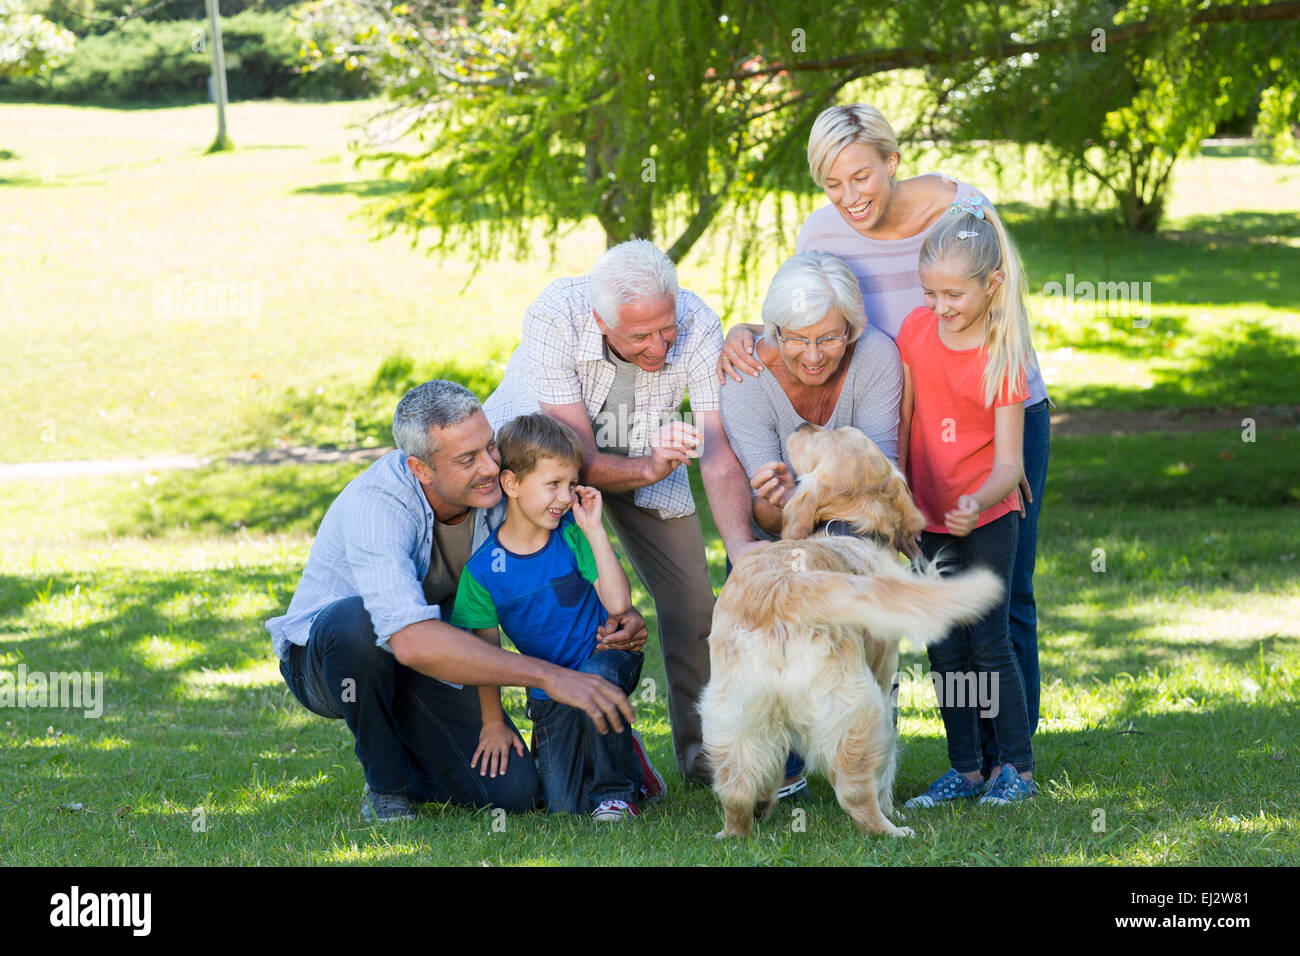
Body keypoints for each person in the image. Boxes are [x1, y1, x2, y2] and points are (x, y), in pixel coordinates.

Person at [719, 103, 1052, 749]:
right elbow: (807, 307)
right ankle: (969, 762)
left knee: (1005, 591)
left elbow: (1008, 313)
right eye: (831, 183)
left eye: (860, 178)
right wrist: (747, 332)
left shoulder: (963, 209)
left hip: (997, 415)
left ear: (891, 162)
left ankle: (1013, 753)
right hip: (913, 424)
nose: (848, 198)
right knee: (939, 589)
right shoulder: (821, 232)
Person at [266, 380, 646, 822]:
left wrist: (621, 612)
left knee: (515, 793)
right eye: (468, 460)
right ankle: (387, 787)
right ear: (421, 469)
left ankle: (419, 757)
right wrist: (553, 677)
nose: (489, 467)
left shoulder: (501, 481)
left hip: (436, 654)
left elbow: (562, 534)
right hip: (332, 661)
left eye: (489, 447)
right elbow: (407, 641)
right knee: (358, 625)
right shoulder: (378, 506)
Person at [484, 239, 757, 785]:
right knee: (548, 607)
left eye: (666, 328)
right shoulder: (555, 315)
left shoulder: (698, 322)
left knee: (695, 606)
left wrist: (742, 549)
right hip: (540, 471)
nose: (659, 346)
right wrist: (649, 468)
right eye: (640, 336)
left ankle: (708, 762)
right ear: (600, 321)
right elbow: (575, 459)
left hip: (645, 459)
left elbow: (718, 450)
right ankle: (533, 752)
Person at [718, 250, 902, 801]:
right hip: (786, 533)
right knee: (774, 590)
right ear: (772, 328)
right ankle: (784, 762)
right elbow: (769, 513)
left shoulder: (874, 358)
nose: (814, 354)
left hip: (863, 528)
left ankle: (863, 764)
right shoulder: (746, 377)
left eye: (829, 338)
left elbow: (876, 485)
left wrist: (807, 499)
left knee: (864, 610)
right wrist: (784, 504)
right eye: (797, 338)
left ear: (852, 328)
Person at [451, 414, 660, 821]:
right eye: (553, 485)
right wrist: (493, 722)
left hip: (607, 658)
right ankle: (632, 760)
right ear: (511, 484)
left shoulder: (572, 534)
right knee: (562, 806)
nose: (565, 497)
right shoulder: (481, 572)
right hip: (549, 689)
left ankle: (616, 793)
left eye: (571, 484)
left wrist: (596, 531)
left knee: (597, 679)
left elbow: (618, 605)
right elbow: (483, 655)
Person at [898, 198, 1037, 807]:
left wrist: (976, 500)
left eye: (953, 295)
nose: (940, 307)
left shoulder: (1002, 357)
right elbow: (903, 419)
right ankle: (967, 769)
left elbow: (1010, 465)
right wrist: (901, 497)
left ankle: (1017, 769)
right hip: (925, 516)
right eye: (931, 293)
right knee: (943, 643)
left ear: (992, 285)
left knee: (987, 640)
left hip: (986, 519)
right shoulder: (915, 332)